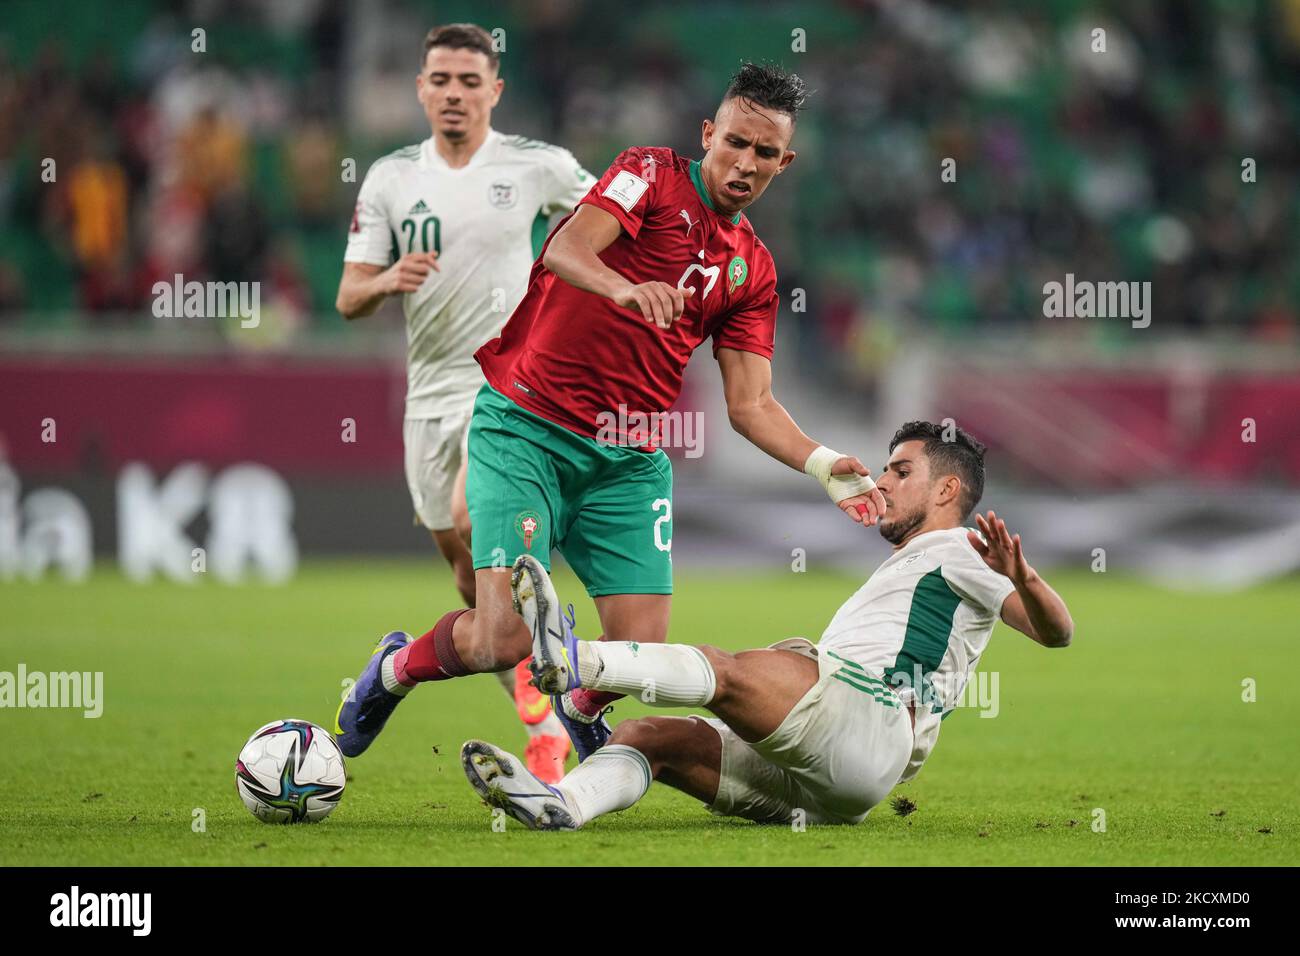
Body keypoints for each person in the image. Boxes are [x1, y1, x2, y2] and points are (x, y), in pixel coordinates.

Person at [336, 60, 885, 770]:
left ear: (787, 162)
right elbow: (565, 248)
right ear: (709, 133)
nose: (746, 164)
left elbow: (750, 405)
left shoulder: (753, 269)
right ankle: (392, 670)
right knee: (503, 642)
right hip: (527, 427)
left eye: (766, 154)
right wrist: (624, 291)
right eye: (736, 144)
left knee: (643, 658)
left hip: (626, 462)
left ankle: (578, 707)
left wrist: (822, 463)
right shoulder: (648, 173)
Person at [460, 422, 1075, 829]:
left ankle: (574, 662)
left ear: (947, 488)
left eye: (900, 471)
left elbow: (1057, 632)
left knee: (725, 671)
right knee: (650, 738)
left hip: (873, 717)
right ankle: (562, 803)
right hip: (833, 786)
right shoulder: (923, 561)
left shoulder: (965, 547)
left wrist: (1024, 577)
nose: (883, 483)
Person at [334, 23, 595, 780]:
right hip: (429, 394)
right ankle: (523, 704)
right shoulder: (389, 178)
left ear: (495, 91)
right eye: (440, 80)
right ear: (421, 88)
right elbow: (349, 295)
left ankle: (557, 714)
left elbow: (615, 220)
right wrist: (387, 281)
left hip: (506, 385)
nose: (453, 93)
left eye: (469, 81)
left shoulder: (537, 166)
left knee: (482, 515)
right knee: (469, 586)